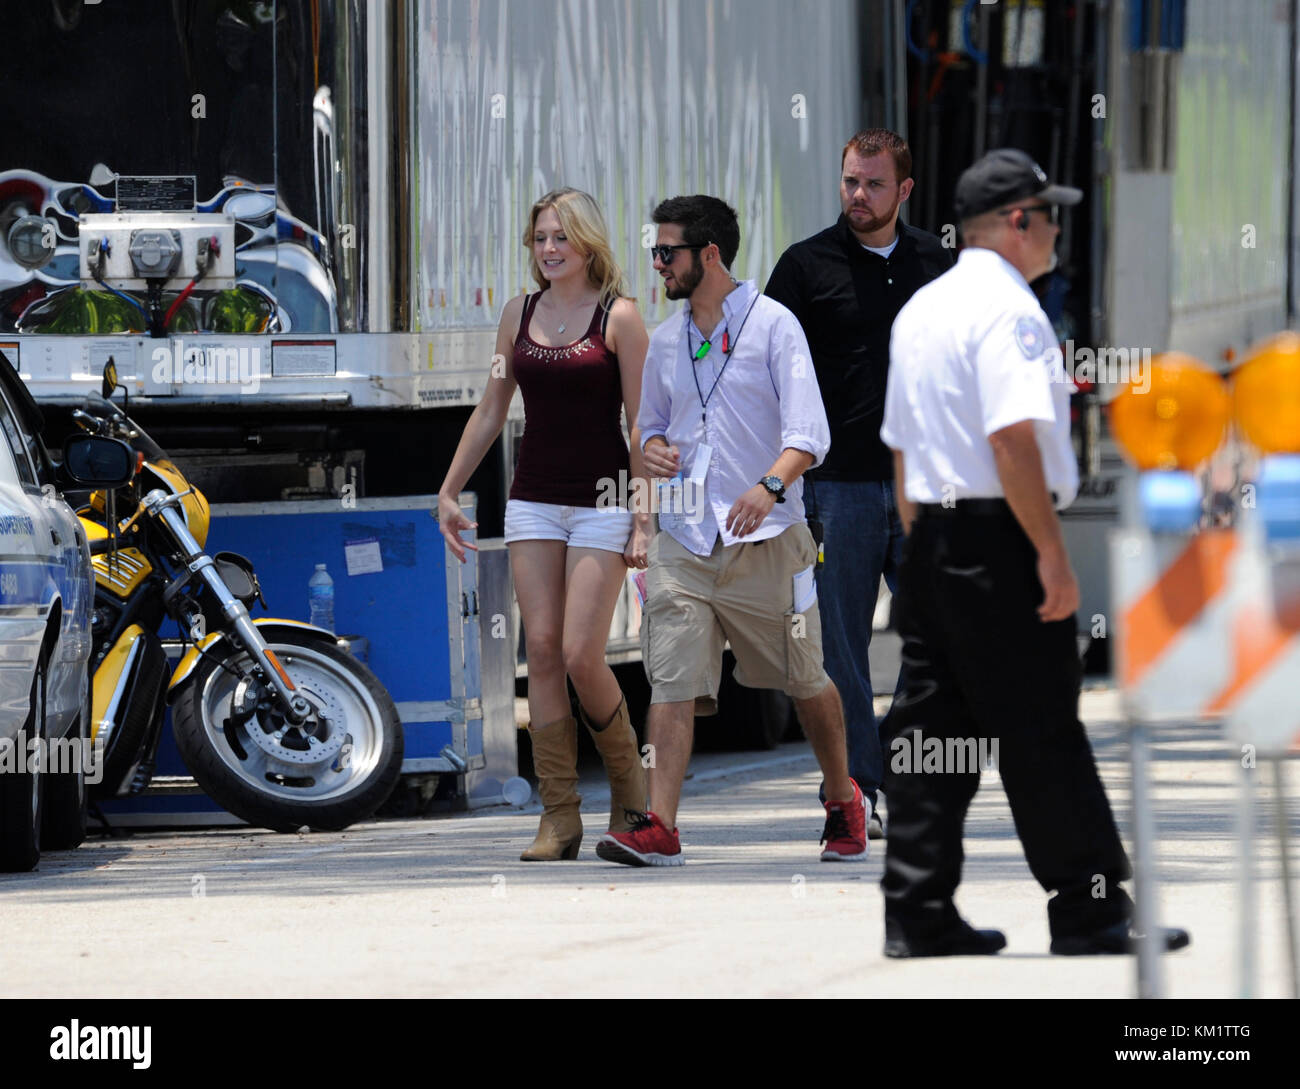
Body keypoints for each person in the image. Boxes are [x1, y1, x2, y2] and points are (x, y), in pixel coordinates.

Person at [878, 148, 1190, 956]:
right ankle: (1089, 911)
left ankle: (917, 911)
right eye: (1049, 215)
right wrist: (1049, 553)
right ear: (1018, 221)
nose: (1056, 230)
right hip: (1000, 538)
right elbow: (1013, 439)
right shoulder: (1012, 312)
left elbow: (903, 452)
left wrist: (928, 545)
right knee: (1042, 728)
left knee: (928, 736)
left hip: (935, 540)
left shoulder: (921, 309)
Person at [596, 194, 866, 867]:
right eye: (655, 251)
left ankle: (842, 797)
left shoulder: (776, 327)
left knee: (807, 679)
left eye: (668, 252)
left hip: (769, 538)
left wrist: (771, 483)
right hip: (685, 540)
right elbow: (648, 425)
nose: (657, 263)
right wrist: (651, 449)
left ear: (708, 255)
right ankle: (661, 824)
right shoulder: (665, 340)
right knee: (671, 681)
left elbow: (811, 433)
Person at [437, 187, 651, 862]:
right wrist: (448, 488)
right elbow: (491, 408)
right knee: (547, 649)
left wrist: (643, 519)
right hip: (532, 500)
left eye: (561, 237)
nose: (550, 249)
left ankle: (633, 796)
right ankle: (559, 815)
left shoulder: (621, 317)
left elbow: (643, 424)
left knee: (586, 653)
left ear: (588, 242)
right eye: (540, 239)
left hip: (604, 500)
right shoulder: (516, 315)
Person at [765, 129, 953, 836]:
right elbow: (768, 374)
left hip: (926, 482)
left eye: (873, 184)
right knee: (838, 643)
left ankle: (895, 760)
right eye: (849, 180)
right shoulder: (805, 267)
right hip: (837, 484)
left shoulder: (941, 263)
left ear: (904, 190)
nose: (858, 196)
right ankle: (859, 786)